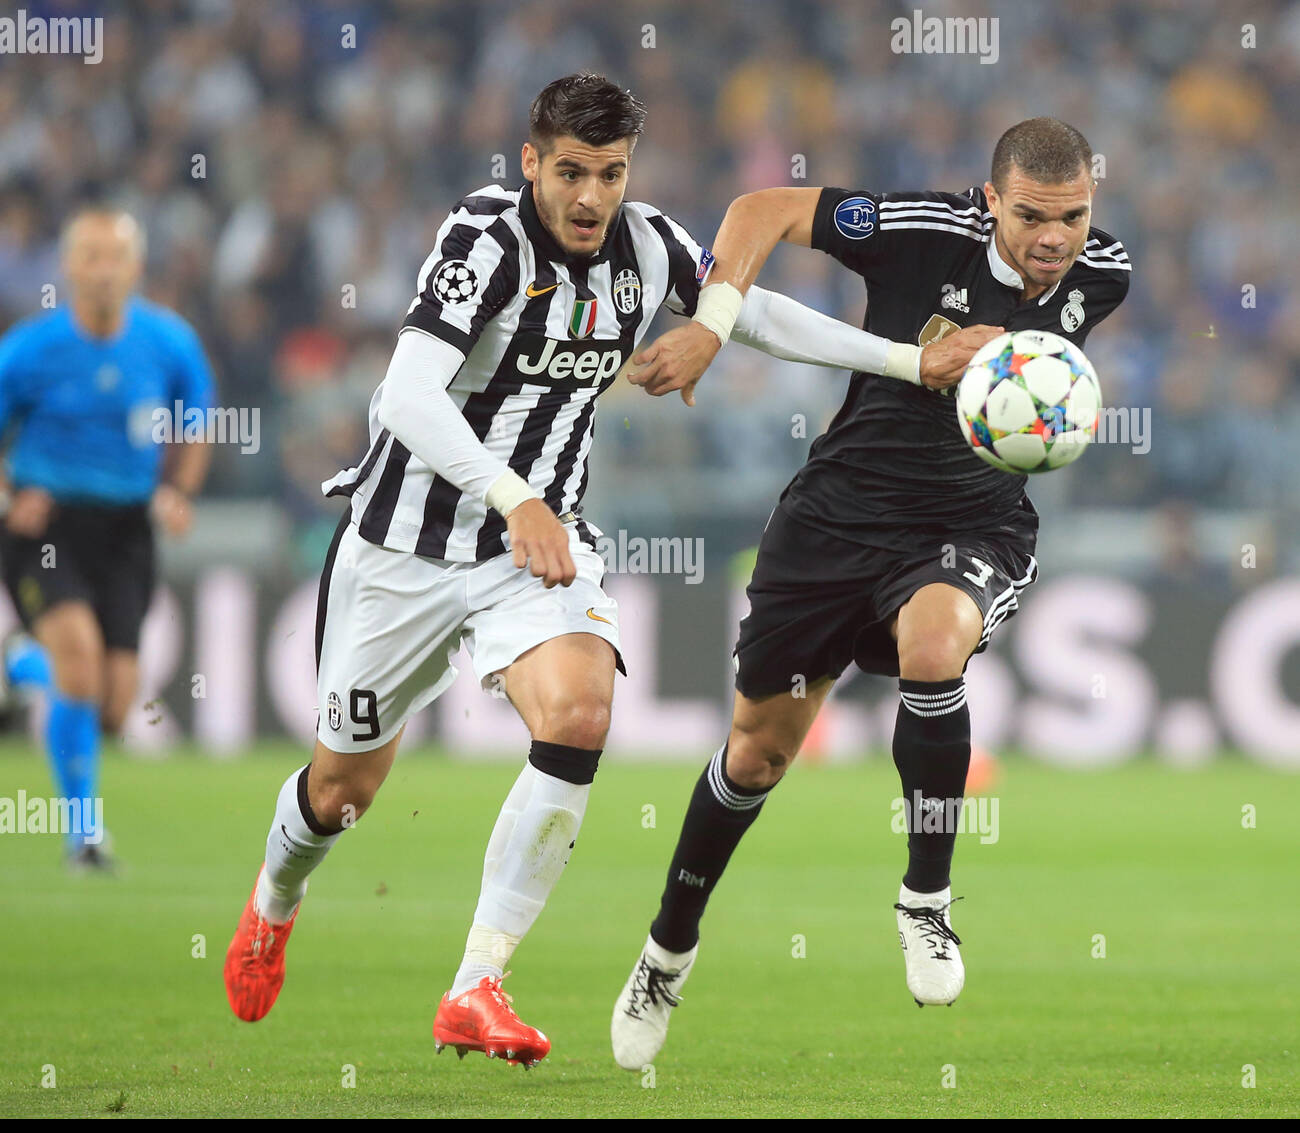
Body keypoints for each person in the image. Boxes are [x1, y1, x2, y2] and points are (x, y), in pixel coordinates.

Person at [221, 72, 998, 1068]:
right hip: (405, 549)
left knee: (581, 714)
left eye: (613, 174)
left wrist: (902, 360)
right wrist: (517, 498)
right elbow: (404, 395)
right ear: (532, 162)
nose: (592, 198)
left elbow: (749, 311)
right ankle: (275, 901)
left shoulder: (644, 243)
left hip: (529, 557)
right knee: (342, 793)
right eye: (575, 173)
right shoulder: (483, 241)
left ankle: (476, 987)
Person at [612, 116, 1131, 1069]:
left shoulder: (1107, 271)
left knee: (935, 649)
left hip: (970, 527)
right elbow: (760, 208)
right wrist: (712, 326)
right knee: (758, 755)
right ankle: (666, 950)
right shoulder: (924, 229)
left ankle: (926, 904)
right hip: (835, 522)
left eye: (1074, 215)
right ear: (990, 202)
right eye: (1032, 217)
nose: (1057, 238)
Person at [0, 207, 214, 869]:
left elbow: (198, 419)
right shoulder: (28, 350)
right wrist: (10, 494)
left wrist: (178, 491)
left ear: (135, 266)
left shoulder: (168, 341)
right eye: (88, 256)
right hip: (47, 525)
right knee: (81, 666)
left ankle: (15, 668)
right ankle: (83, 834)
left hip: (127, 529)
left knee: (116, 707)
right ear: (67, 267)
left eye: (113, 256)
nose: (101, 270)